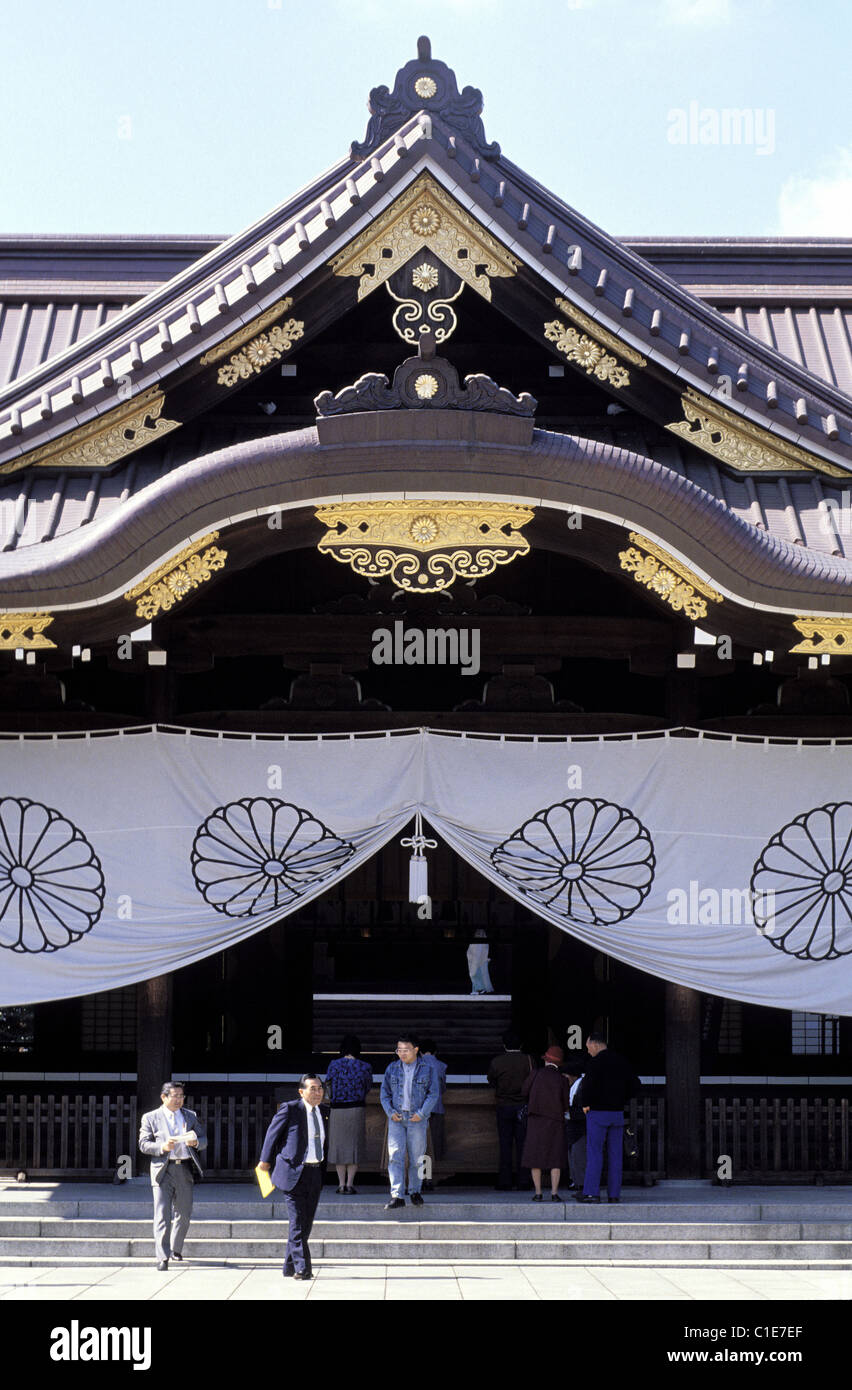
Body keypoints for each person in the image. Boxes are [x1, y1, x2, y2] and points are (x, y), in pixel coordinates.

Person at [258, 1073, 329, 1279]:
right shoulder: (290, 1109)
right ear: (301, 1091)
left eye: (320, 1088)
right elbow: (272, 1135)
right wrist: (265, 1161)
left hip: (315, 1172)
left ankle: (288, 1266)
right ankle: (302, 1267)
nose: (317, 1093)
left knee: (306, 1223)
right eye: (312, 1089)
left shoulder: (324, 1111)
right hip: (292, 1171)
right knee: (297, 1221)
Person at [138, 1081, 207, 1271]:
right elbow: (143, 1144)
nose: (178, 1100)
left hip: (184, 1167)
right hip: (162, 1169)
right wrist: (161, 1147)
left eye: (181, 1096)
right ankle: (162, 1257)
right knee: (162, 1213)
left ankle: (176, 1248)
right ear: (164, 1097)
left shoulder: (190, 1116)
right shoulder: (150, 1117)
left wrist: (195, 1143)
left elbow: (204, 1140)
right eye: (174, 1096)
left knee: (184, 1213)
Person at [575, 1033, 641, 1205]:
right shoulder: (622, 1061)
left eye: (588, 1047)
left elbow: (587, 1087)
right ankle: (614, 1194)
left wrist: (586, 1103)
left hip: (597, 1113)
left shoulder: (594, 1063)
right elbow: (635, 1085)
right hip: (617, 1113)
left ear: (595, 1045)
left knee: (595, 1153)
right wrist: (622, 1099)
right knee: (615, 1155)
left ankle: (591, 1193)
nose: (588, 1051)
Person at [380, 1035, 437, 1209]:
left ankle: (415, 1191)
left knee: (418, 1157)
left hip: (417, 1118)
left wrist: (422, 1113)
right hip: (397, 1117)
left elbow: (433, 1093)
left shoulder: (427, 1068)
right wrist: (390, 1112)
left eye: (405, 1050)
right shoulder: (392, 1068)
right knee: (395, 1155)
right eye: (399, 1050)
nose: (402, 1054)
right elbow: (384, 1093)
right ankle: (397, 1195)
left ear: (416, 1050)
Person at [521, 1045, 572, 1201]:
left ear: (546, 1061)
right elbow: (565, 1103)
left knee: (535, 1157)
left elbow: (524, 1092)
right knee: (555, 1158)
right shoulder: (562, 1079)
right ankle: (554, 1193)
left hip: (535, 1121)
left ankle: (538, 1193)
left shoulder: (535, 1074)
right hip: (555, 1122)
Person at [487, 1029, 535, 1190]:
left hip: (503, 1106)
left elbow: (491, 1081)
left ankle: (505, 1180)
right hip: (523, 1106)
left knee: (505, 1144)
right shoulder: (529, 1060)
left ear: (504, 1044)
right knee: (523, 1144)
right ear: (521, 1044)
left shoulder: (497, 1061)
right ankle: (524, 1180)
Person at [325, 1034, 373, 1194]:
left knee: (339, 1148)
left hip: (337, 1110)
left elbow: (328, 1086)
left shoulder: (334, 1065)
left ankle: (340, 1184)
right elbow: (367, 1087)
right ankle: (350, 1184)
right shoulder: (365, 1066)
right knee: (354, 1148)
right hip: (356, 1110)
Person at [419, 1038, 447, 1188]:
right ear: (435, 1051)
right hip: (436, 1109)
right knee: (432, 1146)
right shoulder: (440, 1066)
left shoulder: (416, 1064)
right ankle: (429, 1178)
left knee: (419, 1145)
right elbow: (442, 1088)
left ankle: (420, 1177)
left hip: (419, 1110)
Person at [563, 1054, 587, 1192]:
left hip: (580, 1128)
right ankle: (576, 1181)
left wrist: (568, 1114)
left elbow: (583, 1110)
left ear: (571, 1076)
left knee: (579, 1157)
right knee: (574, 1156)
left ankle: (580, 1183)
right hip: (575, 1128)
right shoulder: (576, 1086)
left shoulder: (581, 1088)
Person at [466, 928, 494, 994]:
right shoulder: (475, 941)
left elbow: (483, 951)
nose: (479, 934)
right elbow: (470, 950)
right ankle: (477, 989)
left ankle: (479, 989)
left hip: (480, 961)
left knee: (478, 975)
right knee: (474, 975)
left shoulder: (483, 942)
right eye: (478, 933)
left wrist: (484, 959)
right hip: (475, 961)